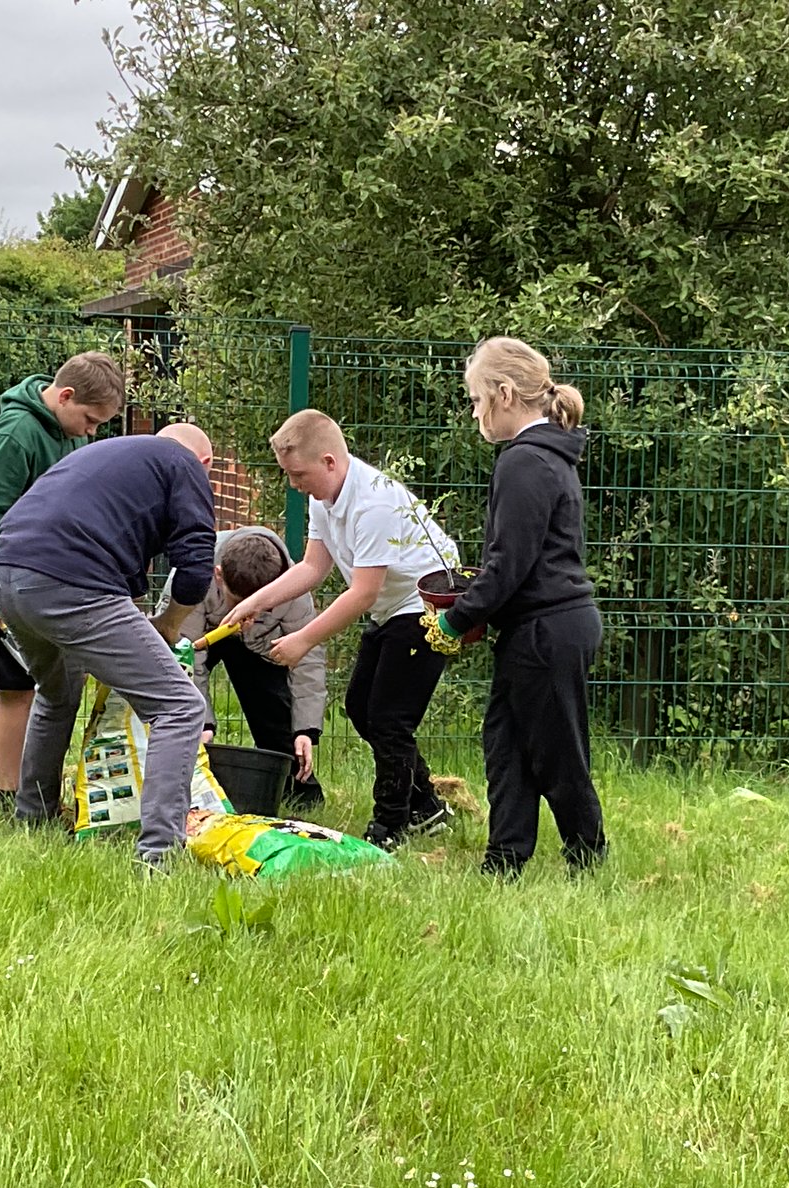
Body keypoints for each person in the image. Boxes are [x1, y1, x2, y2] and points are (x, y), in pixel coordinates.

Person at [225, 409, 457, 851]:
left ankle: (390, 824)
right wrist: (254, 602)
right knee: (360, 706)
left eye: (299, 474)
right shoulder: (323, 498)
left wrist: (303, 639)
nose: (295, 485)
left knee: (389, 718)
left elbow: (363, 594)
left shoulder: (374, 505)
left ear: (330, 462)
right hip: (392, 606)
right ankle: (426, 804)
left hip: (427, 605)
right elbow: (313, 567)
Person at [0, 424, 216, 871]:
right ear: (204, 464)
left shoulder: (110, 456)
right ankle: (159, 855)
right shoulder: (184, 463)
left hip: (7, 576)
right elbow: (195, 564)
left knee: (56, 693)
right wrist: (168, 626)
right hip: (71, 582)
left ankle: (33, 819)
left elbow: (117, 563)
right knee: (179, 707)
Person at [431, 336, 607, 878]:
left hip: (546, 629)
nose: (476, 413)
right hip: (541, 627)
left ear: (505, 394)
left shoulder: (525, 461)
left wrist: (456, 618)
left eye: (477, 400)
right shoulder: (543, 456)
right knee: (507, 748)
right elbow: (517, 560)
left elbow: (511, 563)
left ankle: (588, 856)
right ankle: (504, 861)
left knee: (556, 753)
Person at [0, 351, 125, 814]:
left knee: (54, 683)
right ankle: (10, 794)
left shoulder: (69, 435)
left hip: (52, 579)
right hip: (4, 578)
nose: (93, 432)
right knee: (17, 686)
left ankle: (41, 790)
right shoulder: (17, 433)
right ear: (65, 396)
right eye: (90, 420)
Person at [159, 526, 327, 810]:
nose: (247, 618)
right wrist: (204, 723)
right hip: (202, 638)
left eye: (260, 608)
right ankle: (173, 788)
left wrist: (306, 730)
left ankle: (299, 793)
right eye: (238, 604)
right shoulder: (192, 576)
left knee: (276, 709)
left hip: (261, 648)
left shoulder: (295, 589)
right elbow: (184, 659)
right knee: (174, 701)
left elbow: (308, 660)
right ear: (218, 574)